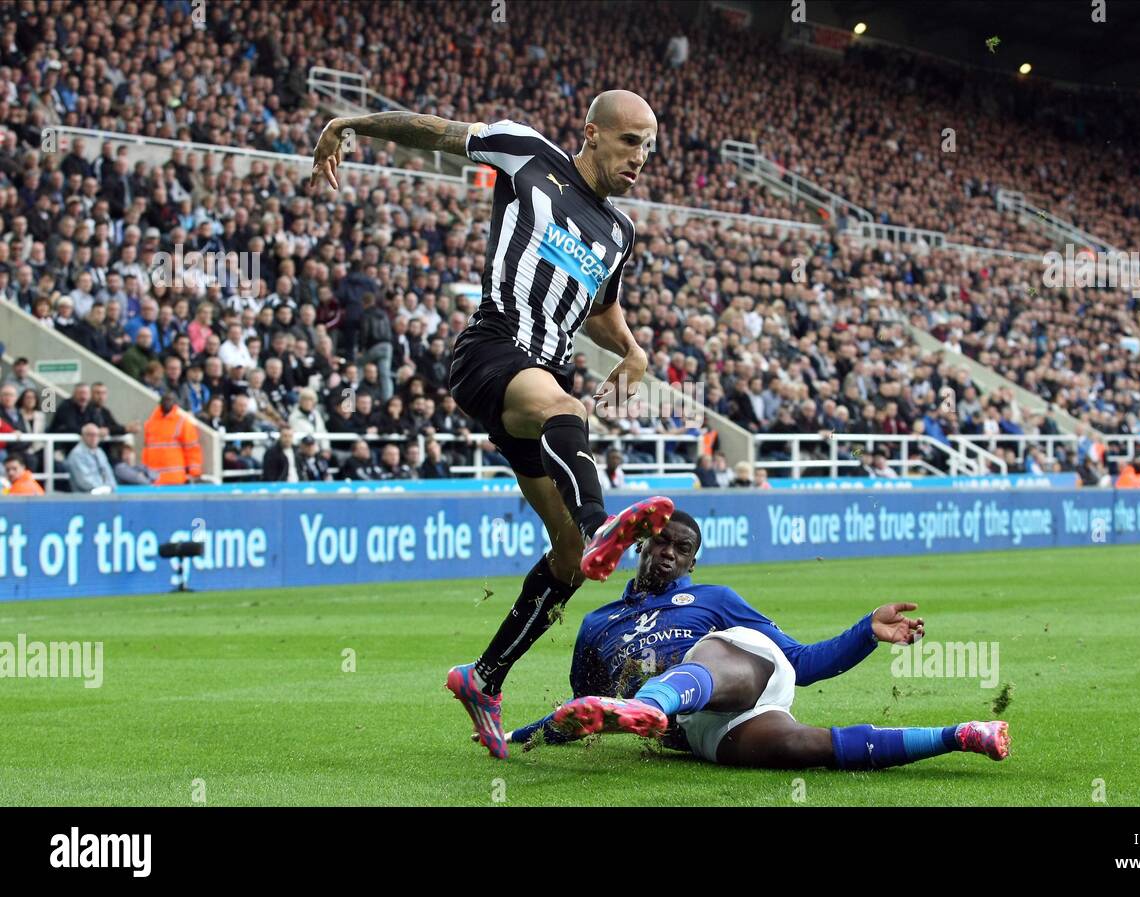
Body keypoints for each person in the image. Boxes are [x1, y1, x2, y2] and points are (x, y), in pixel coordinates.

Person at [313, 89, 673, 758]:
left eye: (649, 147)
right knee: (569, 413)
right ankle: (602, 524)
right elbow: (432, 131)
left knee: (566, 557)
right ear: (591, 133)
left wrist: (631, 347)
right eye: (630, 142)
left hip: (543, 377)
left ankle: (484, 677)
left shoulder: (619, 230)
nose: (641, 158)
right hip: (492, 349)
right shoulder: (528, 155)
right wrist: (351, 122)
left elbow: (597, 302)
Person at [497, 512, 1010, 771]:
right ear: (640, 545)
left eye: (683, 549)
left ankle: (654, 705)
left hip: (748, 674)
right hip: (701, 729)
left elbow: (803, 664)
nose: (670, 554)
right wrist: (519, 738)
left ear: (693, 562)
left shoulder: (713, 598)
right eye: (661, 542)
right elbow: (587, 713)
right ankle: (961, 735)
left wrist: (865, 632)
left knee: (709, 655)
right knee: (802, 748)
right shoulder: (597, 625)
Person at [141, 391, 203, 485]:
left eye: (170, 400)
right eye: (165, 400)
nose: (167, 402)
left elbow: (192, 448)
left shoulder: (182, 422)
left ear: (175, 403)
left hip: (175, 478)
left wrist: (194, 472)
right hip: (153, 479)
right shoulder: (151, 422)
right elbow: (147, 449)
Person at [66, 423, 117, 493]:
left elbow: (109, 474)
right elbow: (83, 481)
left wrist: (110, 487)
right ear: (83, 436)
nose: (94, 438)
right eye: (90, 435)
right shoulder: (76, 454)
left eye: (97, 435)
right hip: (86, 496)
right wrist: (103, 488)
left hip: (105, 492)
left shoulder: (100, 452)